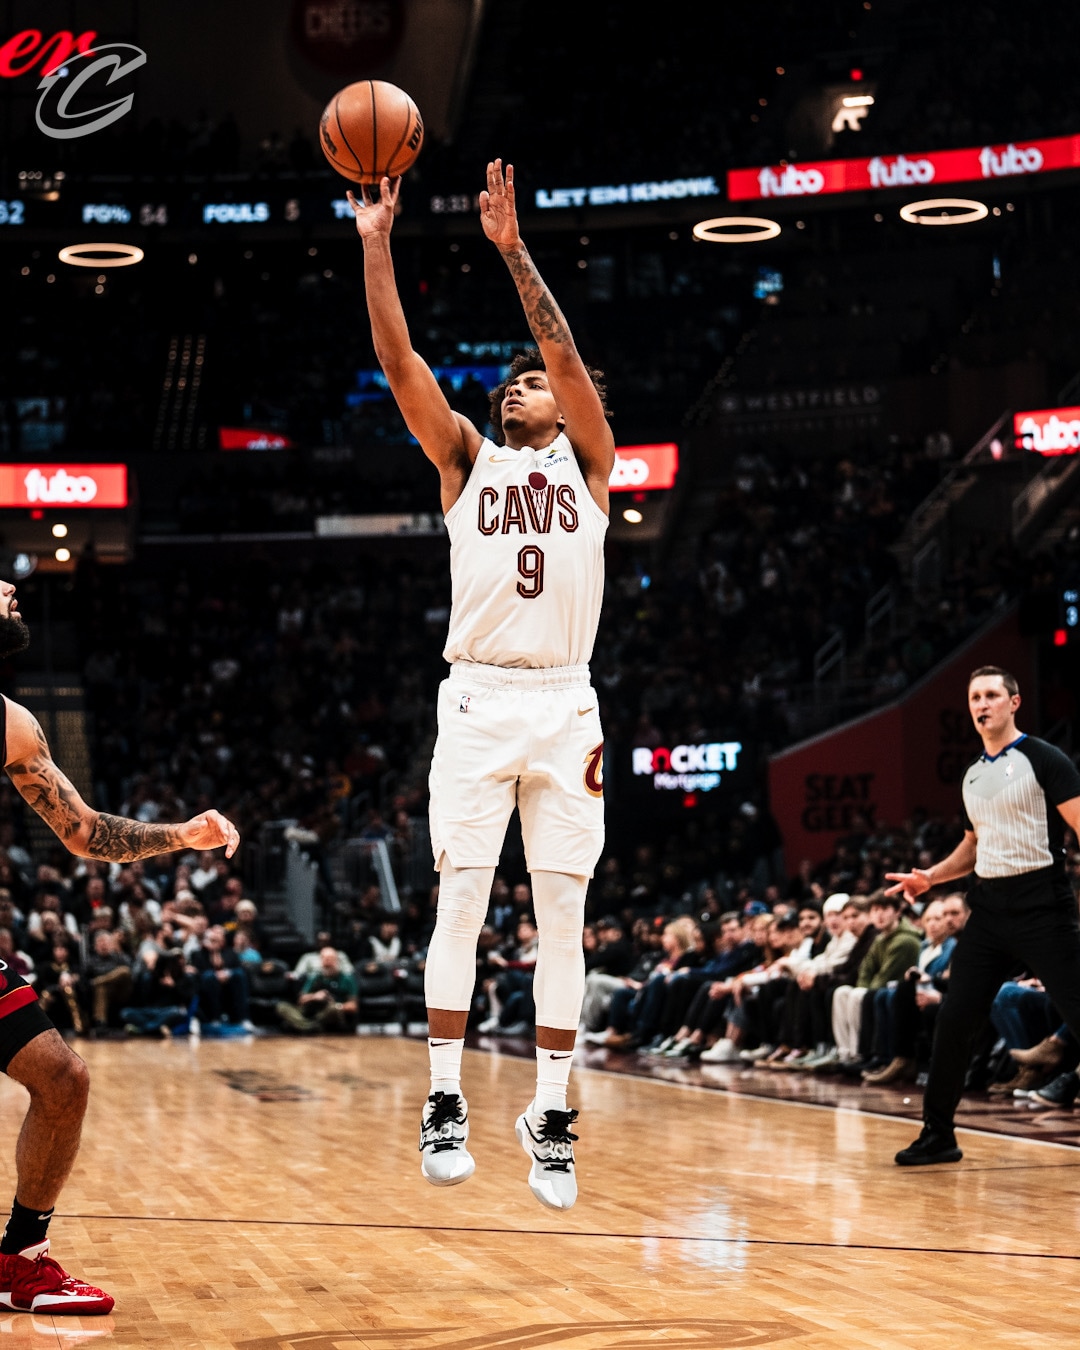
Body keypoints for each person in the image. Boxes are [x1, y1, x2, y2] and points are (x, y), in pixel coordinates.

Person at [350, 159, 614, 1211]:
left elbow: (567, 355)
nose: (519, 386)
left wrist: (512, 250)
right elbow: (398, 361)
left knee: (564, 918)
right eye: (509, 382)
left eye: (531, 383)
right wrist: (376, 238)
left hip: (567, 702)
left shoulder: (590, 463)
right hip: (474, 699)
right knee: (459, 904)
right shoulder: (466, 461)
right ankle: (445, 1098)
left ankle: (549, 1113)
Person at [0, 577, 239, 1312]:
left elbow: (83, 831)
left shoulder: (11, 723)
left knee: (62, 1079)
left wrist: (182, 836)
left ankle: (20, 1260)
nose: (10, 587)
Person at [886, 665, 1080, 1165]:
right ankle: (938, 1135)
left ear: (1014, 703)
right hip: (989, 911)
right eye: (975, 697)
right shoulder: (972, 773)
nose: (982, 704)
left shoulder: (1045, 759)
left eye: (992, 695)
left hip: (1043, 905)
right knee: (954, 1020)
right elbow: (974, 845)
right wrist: (930, 877)